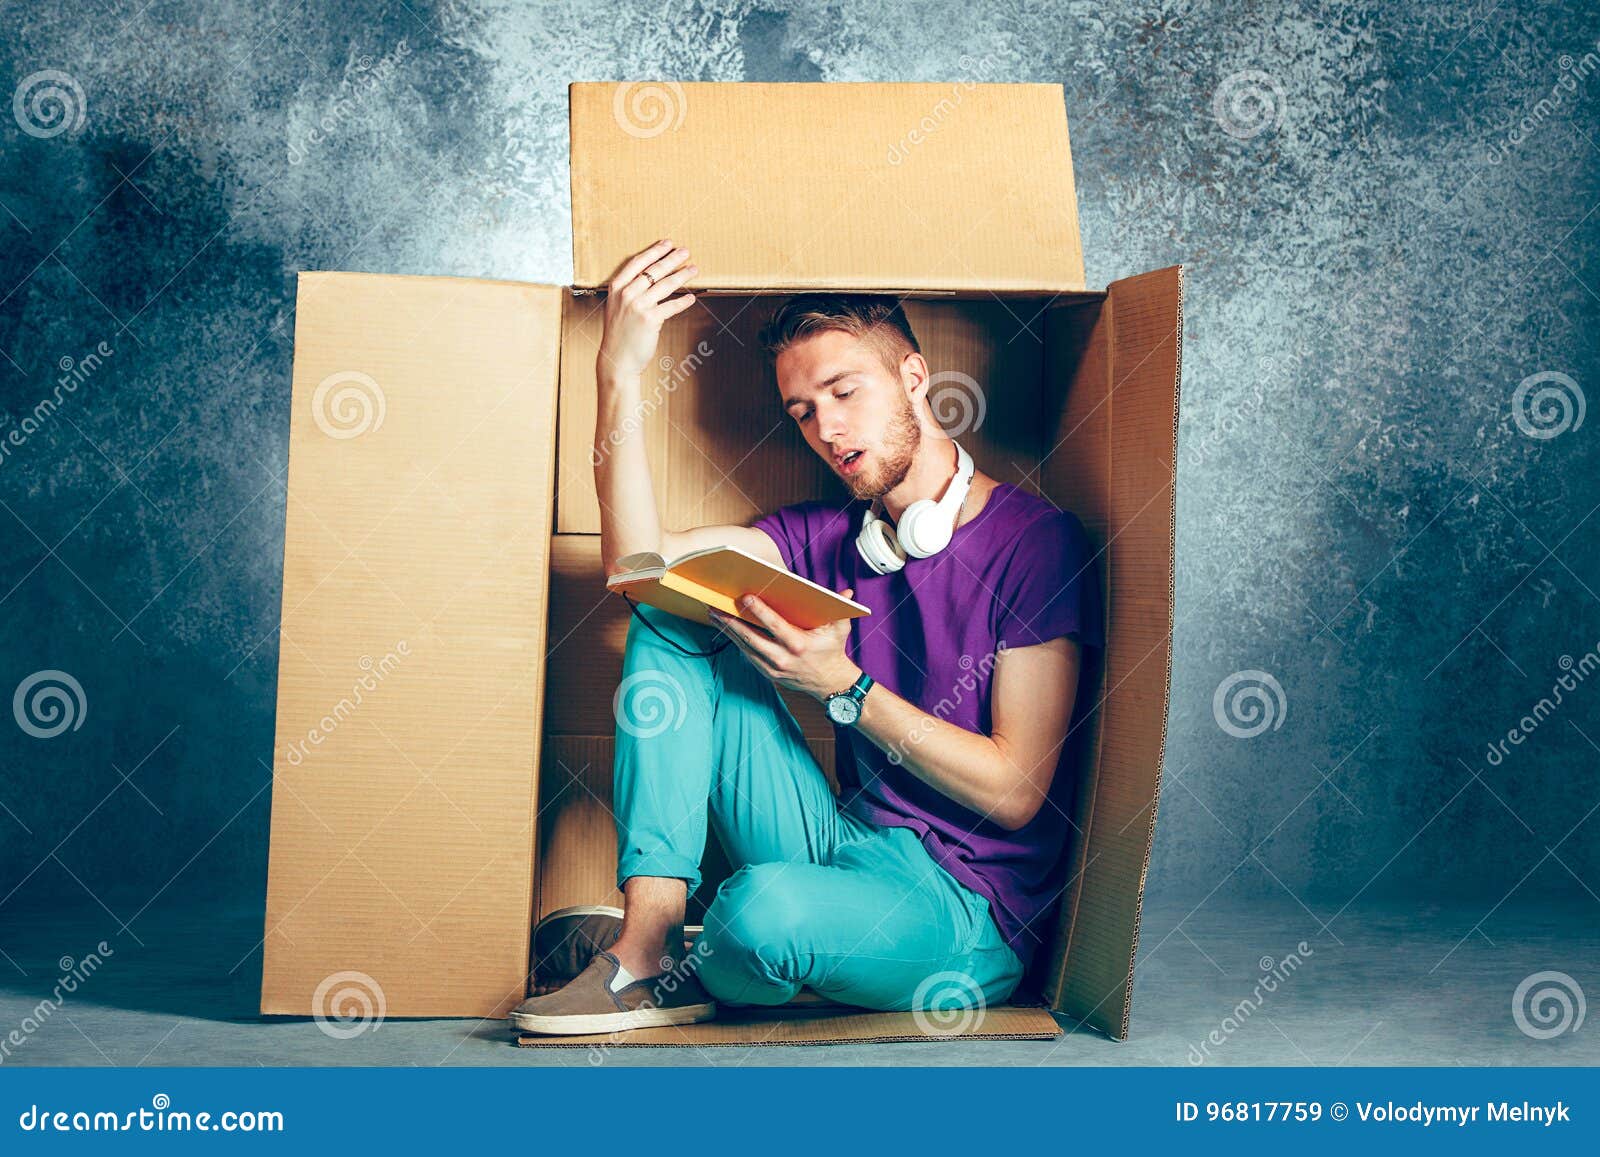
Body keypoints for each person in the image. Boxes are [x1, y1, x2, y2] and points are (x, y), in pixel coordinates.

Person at [510, 240, 1103, 1035]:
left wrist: (844, 687)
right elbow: (633, 563)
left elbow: (1016, 791)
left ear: (915, 378)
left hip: (965, 911)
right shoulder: (828, 536)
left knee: (757, 914)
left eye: (843, 391)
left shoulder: (1037, 540)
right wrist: (616, 372)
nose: (826, 427)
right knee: (669, 611)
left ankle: (721, 942)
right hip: (844, 845)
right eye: (803, 411)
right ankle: (648, 950)